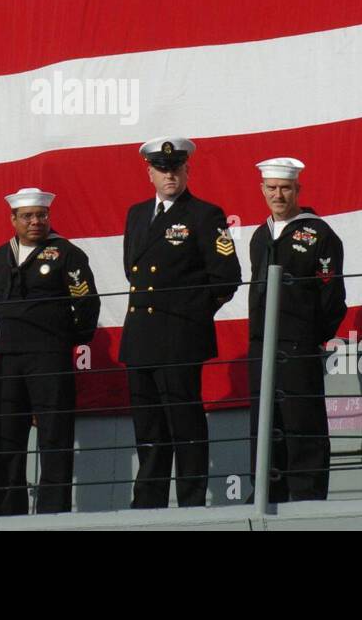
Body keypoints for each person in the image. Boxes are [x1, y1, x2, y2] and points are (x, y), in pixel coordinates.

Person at [119, 137, 241, 508]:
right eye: (162, 169)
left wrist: (189, 317)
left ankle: (190, 499)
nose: (169, 175)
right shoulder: (137, 214)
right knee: (149, 428)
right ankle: (148, 501)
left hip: (178, 338)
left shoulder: (204, 215)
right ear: (149, 172)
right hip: (141, 337)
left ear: (188, 169)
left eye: (176, 168)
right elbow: (132, 270)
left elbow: (226, 277)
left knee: (184, 424)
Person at [0, 188, 100, 516]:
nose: (35, 221)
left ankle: (53, 513)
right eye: (28, 216)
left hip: (50, 356)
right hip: (8, 357)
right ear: (13, 219)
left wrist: (64, 338)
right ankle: (6, 514)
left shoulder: (67, 254)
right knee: (8, 436)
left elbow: (86, 302)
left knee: (54, 436)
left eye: (41, 215)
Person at [247, 158, 347, 502]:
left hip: (297, 347)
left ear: (297, 190)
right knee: (264, 424)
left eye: (285, 188)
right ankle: (265, 492)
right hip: (261, 347)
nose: (278, 195)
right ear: (262, 190)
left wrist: (306, 337)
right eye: (271, 188)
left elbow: (332, 300)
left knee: (303, 424)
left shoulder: (320, 234)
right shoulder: (259, 236)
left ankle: (307, 496)